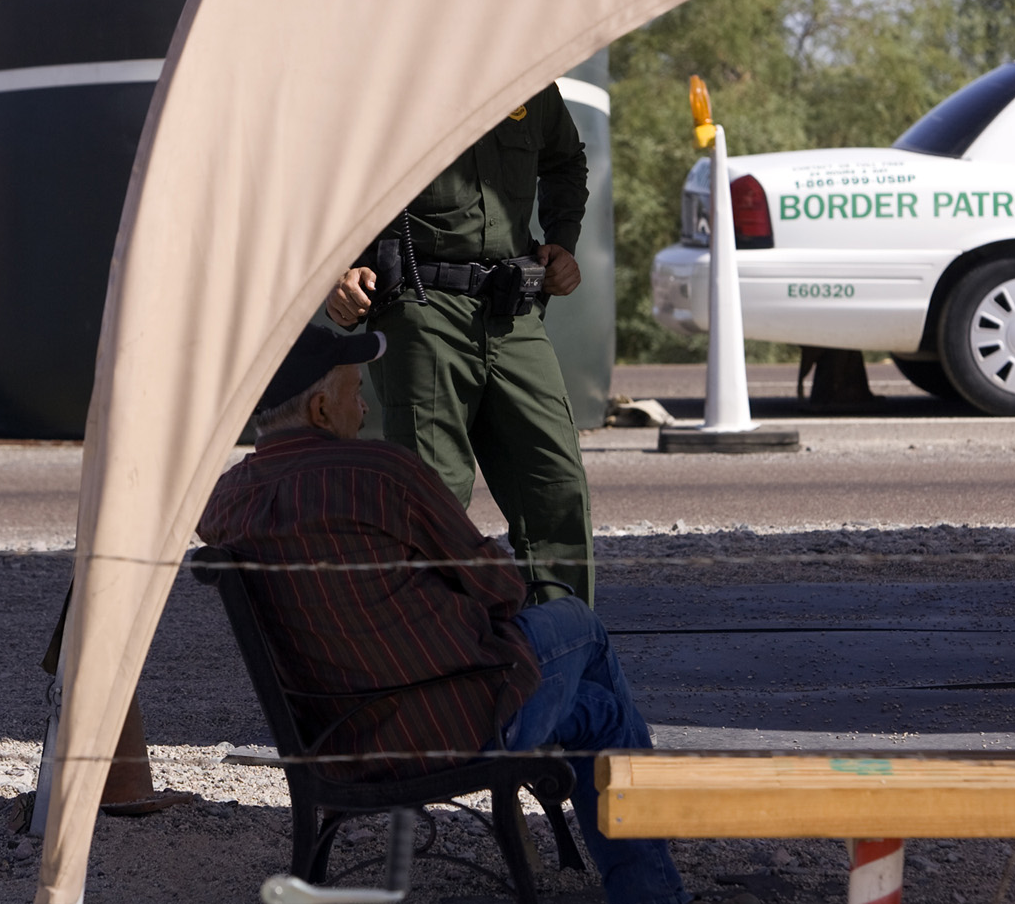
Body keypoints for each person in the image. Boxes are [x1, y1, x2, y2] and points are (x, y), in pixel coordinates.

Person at [198, 327, 687, 904]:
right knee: (583, 634)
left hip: (335, 738)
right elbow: (500, 588)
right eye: (357, 393)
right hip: (451, 720)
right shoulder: (380, 473)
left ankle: (623, 836)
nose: (364, 406)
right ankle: (651, 882)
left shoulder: (224, 500)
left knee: (591, 697)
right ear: (321, 407)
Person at [325, 83, 594, 603]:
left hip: (514, 312)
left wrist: (562, 239)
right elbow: (327, 178)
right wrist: (339, 269)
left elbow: (566, 161)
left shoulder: (532, 77)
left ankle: (567, 649)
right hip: (423, 313)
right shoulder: (390, 77)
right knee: (434, 498)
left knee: (555, 486)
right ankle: (437, 661)